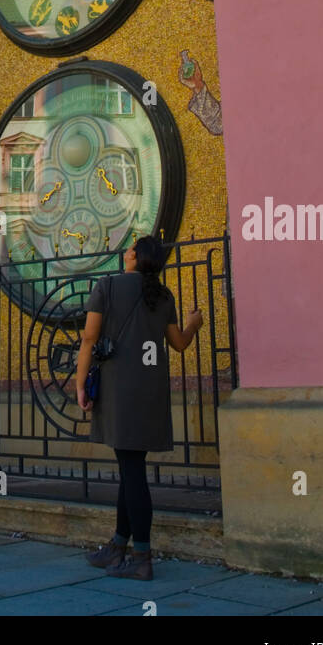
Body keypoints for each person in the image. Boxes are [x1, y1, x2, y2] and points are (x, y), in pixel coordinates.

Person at [75, 236, 203, 579]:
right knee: (130, 467)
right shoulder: (163, 296)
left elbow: (89, 337)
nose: (125, 250)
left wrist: (80, 383)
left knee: (132, 472)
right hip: (150, 390)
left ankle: (142, 556)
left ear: (133, 256)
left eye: (129, 246)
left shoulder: (107, 285)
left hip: (120, 391)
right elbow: (178, 343)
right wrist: (194, 324)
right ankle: (118, 545)